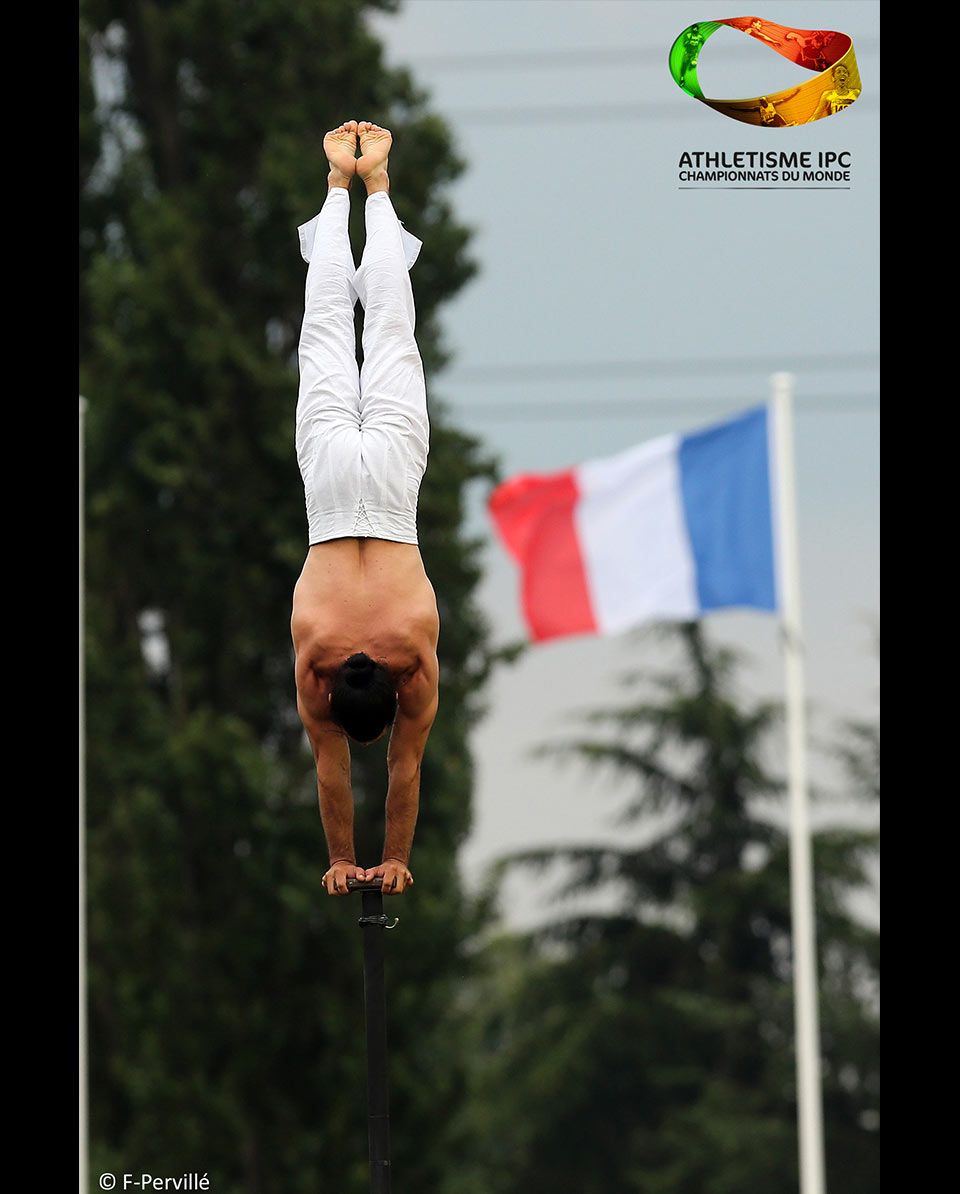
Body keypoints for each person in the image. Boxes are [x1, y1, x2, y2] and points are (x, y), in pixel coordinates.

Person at [291, 120, 440, 897]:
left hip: (387, 495)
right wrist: (347, 861)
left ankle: (374, 185)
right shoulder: (315, 660)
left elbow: (403, 768)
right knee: (322, 336)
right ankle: (339, 185)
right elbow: (338, 775)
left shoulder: (412, 655)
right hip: (328, 494)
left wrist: (386, 857)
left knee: (386, 330)